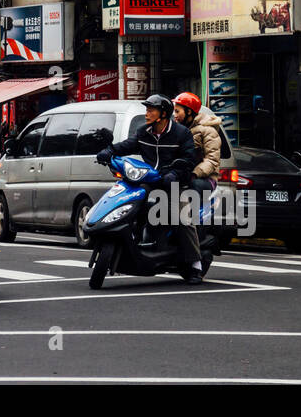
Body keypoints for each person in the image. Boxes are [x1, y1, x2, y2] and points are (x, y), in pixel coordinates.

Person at [95, 94, 205, 285]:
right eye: (146, 110)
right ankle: (134, 241)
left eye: (150, 110)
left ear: (163, 114)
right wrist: (109, 151)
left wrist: (176, 173)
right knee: (127, 200)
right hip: (150, 179)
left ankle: (195, 265)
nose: (146, 114)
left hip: (173, 181)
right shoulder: (143, 132)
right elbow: (128, 145)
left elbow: (189, 160)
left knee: (182, 217)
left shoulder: (181, 133)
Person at [172, 91, 223, 184]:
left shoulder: (208, 130)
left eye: (177, 111)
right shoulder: (177, 130)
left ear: (189, 111)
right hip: (183, 174)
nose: (174, 115)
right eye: (174, 111)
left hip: (206, 177)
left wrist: (194, 174)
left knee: (196, 186)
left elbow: (212, 160)